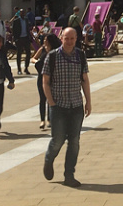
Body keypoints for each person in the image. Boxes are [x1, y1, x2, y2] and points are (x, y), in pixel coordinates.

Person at [42, 27, 91, 188]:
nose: (69, 41)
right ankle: (49, 159)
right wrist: (51, 103)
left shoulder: (80, 55)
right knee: (58, 140)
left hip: (76, 105)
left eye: (72, 38)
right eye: (66, 38)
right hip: (59, 106)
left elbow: (84, 79)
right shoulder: (53, 56)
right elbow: (46, 81)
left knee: (74, 141)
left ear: (76, 39)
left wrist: (88, 101)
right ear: (61, 38)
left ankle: (69, 175)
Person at [32, 33, 62, 129]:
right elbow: (33, 58)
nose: (44, 41)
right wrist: (37, 62)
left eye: (46, 40)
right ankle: (42, 120)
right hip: (41, 76)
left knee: (51, 98)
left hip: (53, 77)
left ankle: (50, 119)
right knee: (42, 98)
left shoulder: (56, 51)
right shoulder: (42, 49)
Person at [11, 10, 31, 75]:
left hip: (26, 38)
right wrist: (15, 39)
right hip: (19, 39)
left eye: (23, 12)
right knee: (19, 54)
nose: (23, 13)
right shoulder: (16, 21)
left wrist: (29, 37)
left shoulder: (26, 20)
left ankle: (26, 68)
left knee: (28, 53)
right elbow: (13, 30)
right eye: (21, 12)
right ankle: (19, 69)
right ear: (19, 13)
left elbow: (28, 29)